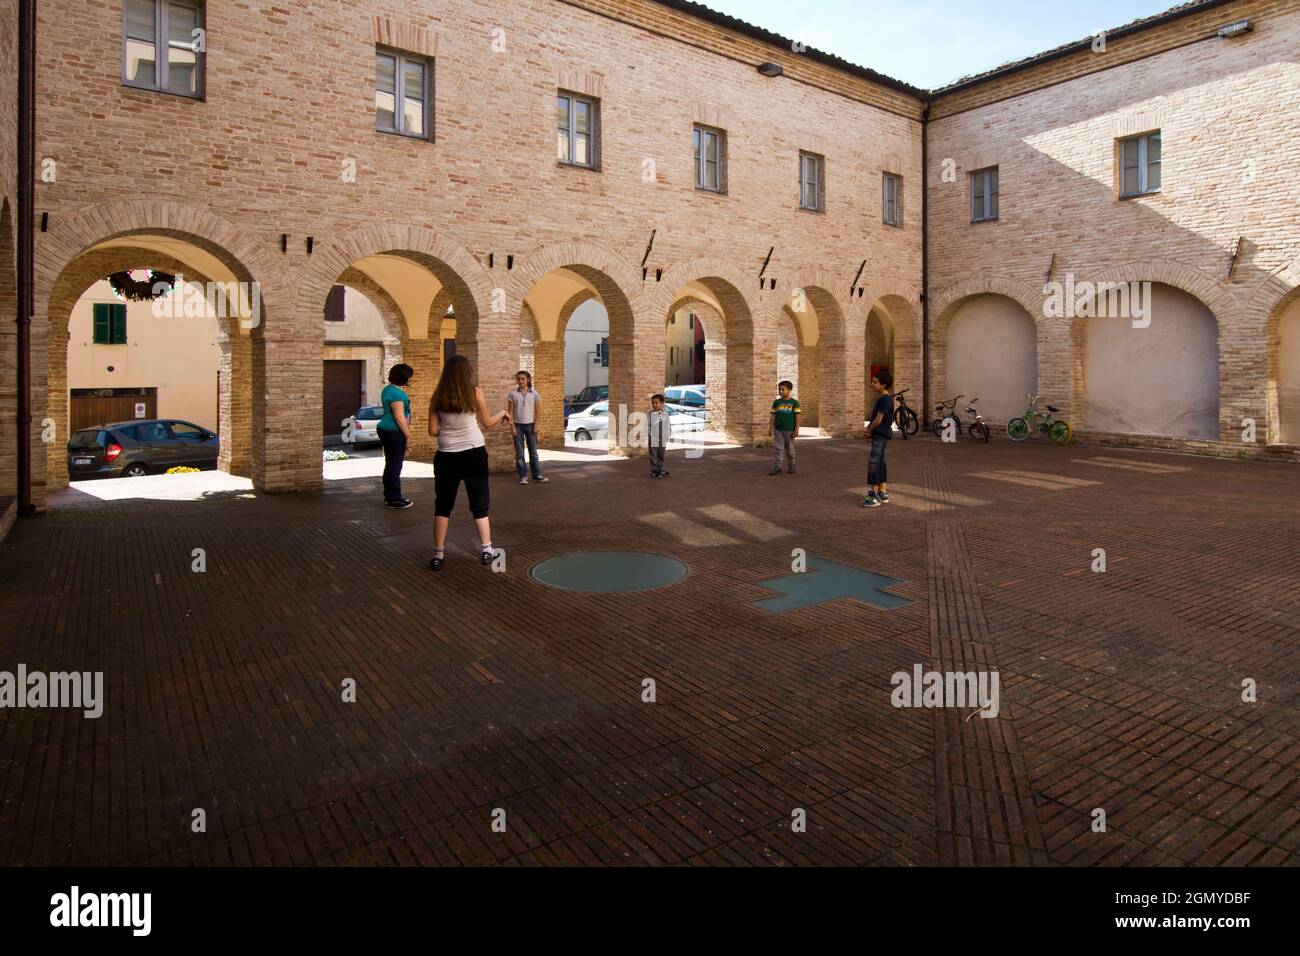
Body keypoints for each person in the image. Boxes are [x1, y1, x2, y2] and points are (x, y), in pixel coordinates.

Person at [427, 355, 513, 570]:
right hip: (474, 454)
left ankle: (438, 554)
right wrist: (503, 412)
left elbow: (432, 431)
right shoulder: (475, 393)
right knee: (480, 503)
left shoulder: (437, 397)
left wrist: (448, 426)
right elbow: (487, 423)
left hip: (446, 455)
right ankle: (486, 550)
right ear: (467, 373)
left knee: (443, 505)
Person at [377, 363, 415, 509]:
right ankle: (394, 499)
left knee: (391, 464)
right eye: (409, 376)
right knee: (394, 465)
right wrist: (408, 436)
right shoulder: (397, 394)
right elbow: (399, 417)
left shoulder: (388, 389)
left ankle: (390, 496)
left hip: (386, 429)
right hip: (394, 431)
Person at [507, 370, 548, 485]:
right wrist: (512, 427)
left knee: (533, 452)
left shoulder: (534, 394)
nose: (521, 381)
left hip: (531, 425)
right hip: (518, 426)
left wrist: (537, 424)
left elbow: (538, 411)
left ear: (528, 380)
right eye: (519, 379)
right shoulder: (513, 394)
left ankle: (536, 475)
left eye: (523, 379)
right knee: (519, 453)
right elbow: (510, 411)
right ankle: (523, 476)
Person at [863, 369, 894, 508]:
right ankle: (883, 492)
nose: (872, 384)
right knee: (880, 462)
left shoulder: (886, 400)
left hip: (880, 434)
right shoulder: (882, 399)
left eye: (875, 382)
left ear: (884, 385)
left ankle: (873, 495)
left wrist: (869, 431)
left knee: (874, 463)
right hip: (879, 434)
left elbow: (878, 419)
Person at [769, 380, 801, 475]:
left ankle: (791, 466)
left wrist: (796, 429)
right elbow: (773, 416)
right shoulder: (776, 402)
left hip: (790, 430)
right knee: (778, 449)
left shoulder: (795, 403)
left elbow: (798, 416)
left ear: (789, 390)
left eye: (783, 389)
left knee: (790, 449)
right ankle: (777, 467)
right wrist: (770, 428)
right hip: (778, 429)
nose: (781, 391)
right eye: (779, 389)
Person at [648, 394, 670, 478]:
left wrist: (667, 435)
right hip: (653, 437)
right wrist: (650, 434)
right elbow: (648, 425)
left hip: (662, 437)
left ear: (662, 403)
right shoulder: (650, 414)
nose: (654, 405)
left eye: (656, 403)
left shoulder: (666, 414)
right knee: (653, 454)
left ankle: (660, 469)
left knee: (661, 454)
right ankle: (654, 470)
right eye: (653, 403)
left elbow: (668, 425)